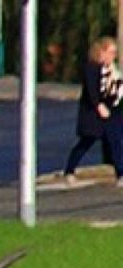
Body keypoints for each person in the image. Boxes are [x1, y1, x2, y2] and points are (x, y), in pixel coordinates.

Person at [63, 36, 123, 187]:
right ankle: (69, 170)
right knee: (86, 142)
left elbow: (117, 88)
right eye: (110, 52)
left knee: (115, 141)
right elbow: (91, 91)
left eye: (114, 53)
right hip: (94, 113)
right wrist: (99, 106)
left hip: (112, 111)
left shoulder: (112, 70)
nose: (112, 56)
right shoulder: (92, 68)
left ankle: (121, 173)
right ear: (101, 52)